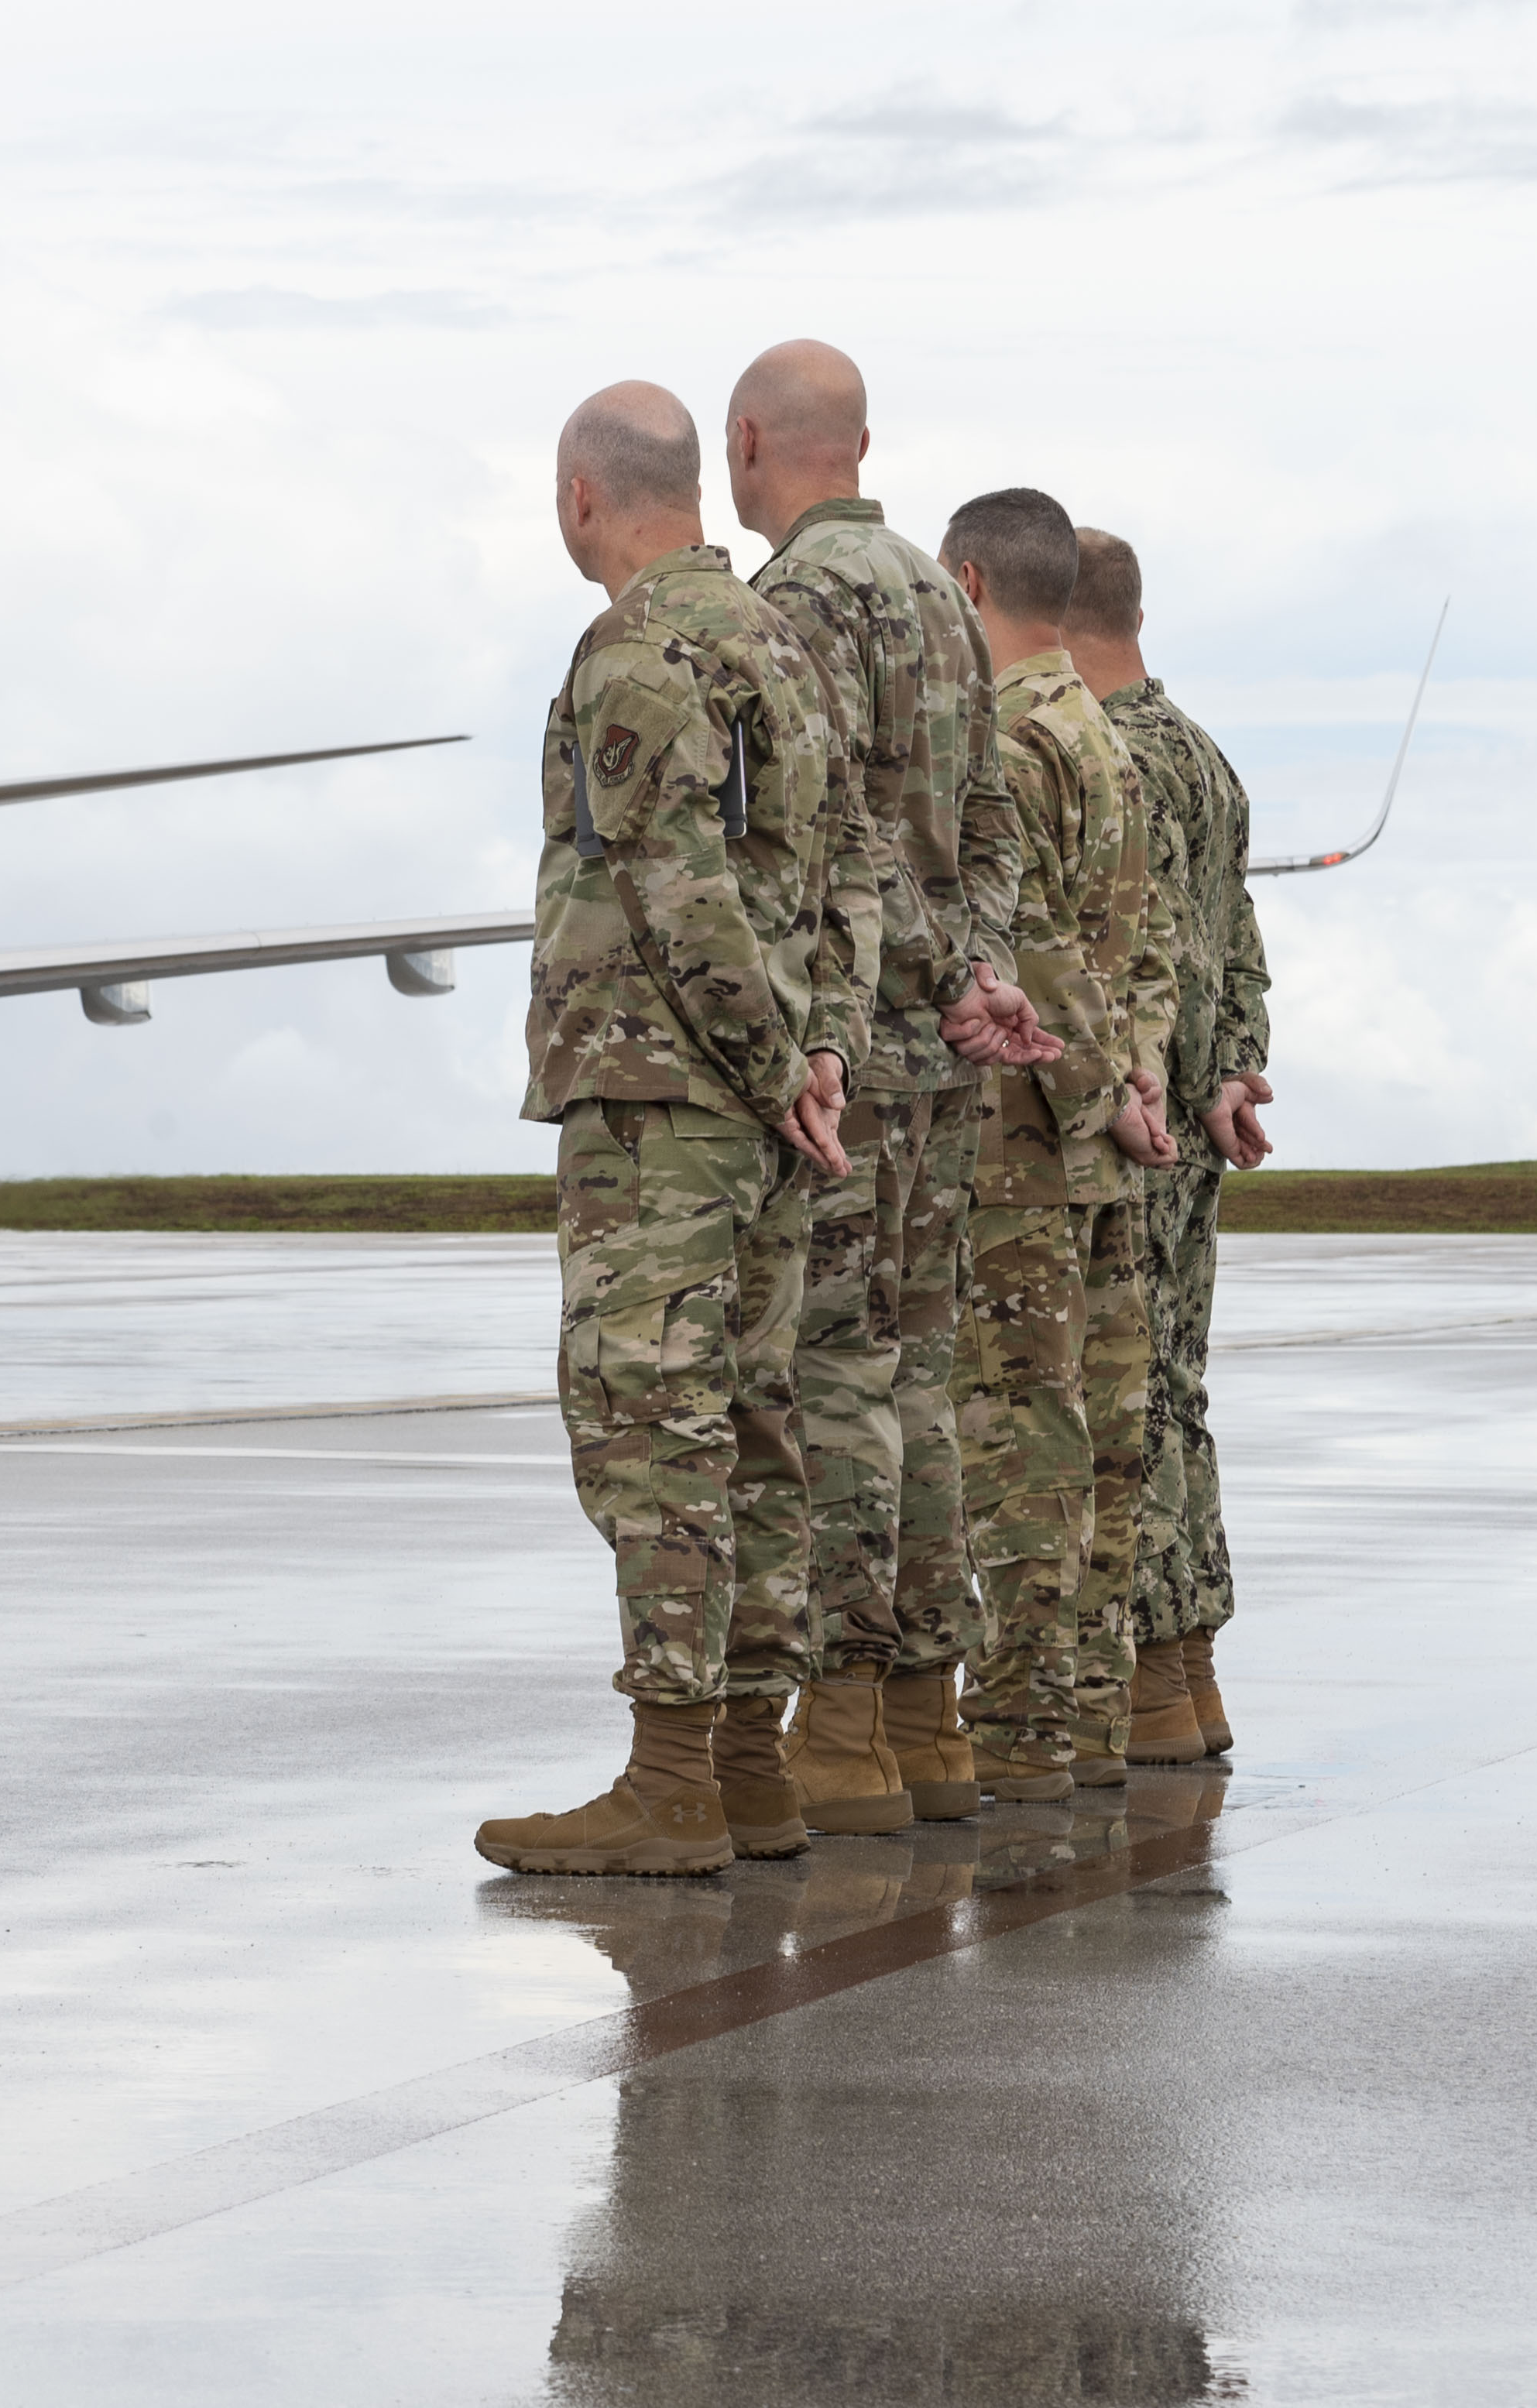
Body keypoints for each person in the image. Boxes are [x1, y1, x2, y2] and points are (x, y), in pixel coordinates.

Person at [477, 381, 857, 1878]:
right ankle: (751, 1770)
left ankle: (672, 1781)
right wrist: (817, 1055)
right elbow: (833, 878)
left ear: (584, 495)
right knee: (754, 1414)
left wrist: (771, 1067)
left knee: (652, 1422)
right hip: (758, 1107)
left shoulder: (634, 650)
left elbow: (676, 887)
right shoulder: (782, 640)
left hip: (664, 1101)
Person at [725, 341, 1055, 1833]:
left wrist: (892, 989)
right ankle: (925, 1716)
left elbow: (834, 842)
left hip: (852, 1049)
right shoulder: (940, 592)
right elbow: (988, 824)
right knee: (917, 1375)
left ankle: (847, 1725)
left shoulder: (791, 603)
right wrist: (977, 969)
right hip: (943, 1055)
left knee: (836, 1379)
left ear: (748, 447)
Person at [939, 489, 1176, 1802]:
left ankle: (1027, 1726)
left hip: (1028, 1137)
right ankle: (1086, 1705)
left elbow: (1030, 947)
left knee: (1019, 1428)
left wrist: (1095, 1090)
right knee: (1096, 1429)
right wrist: (1137, 1078)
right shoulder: (1098, 734)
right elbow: (1145, 952)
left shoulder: (1009, 742)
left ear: (969, 581)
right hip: (1098, 1141)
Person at [1069, 528, 1271, 1763]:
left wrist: (1171, 1076)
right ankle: (1186, 1671)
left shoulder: (1117, 756)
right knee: (1176, 1398)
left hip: (1137, 1131)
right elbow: (1238, 946)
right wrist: (1235, 1066)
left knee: (1126, 1405)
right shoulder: (1202, 751)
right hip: (1191, 1126)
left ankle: (1146, 1681)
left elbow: (1165, 958)